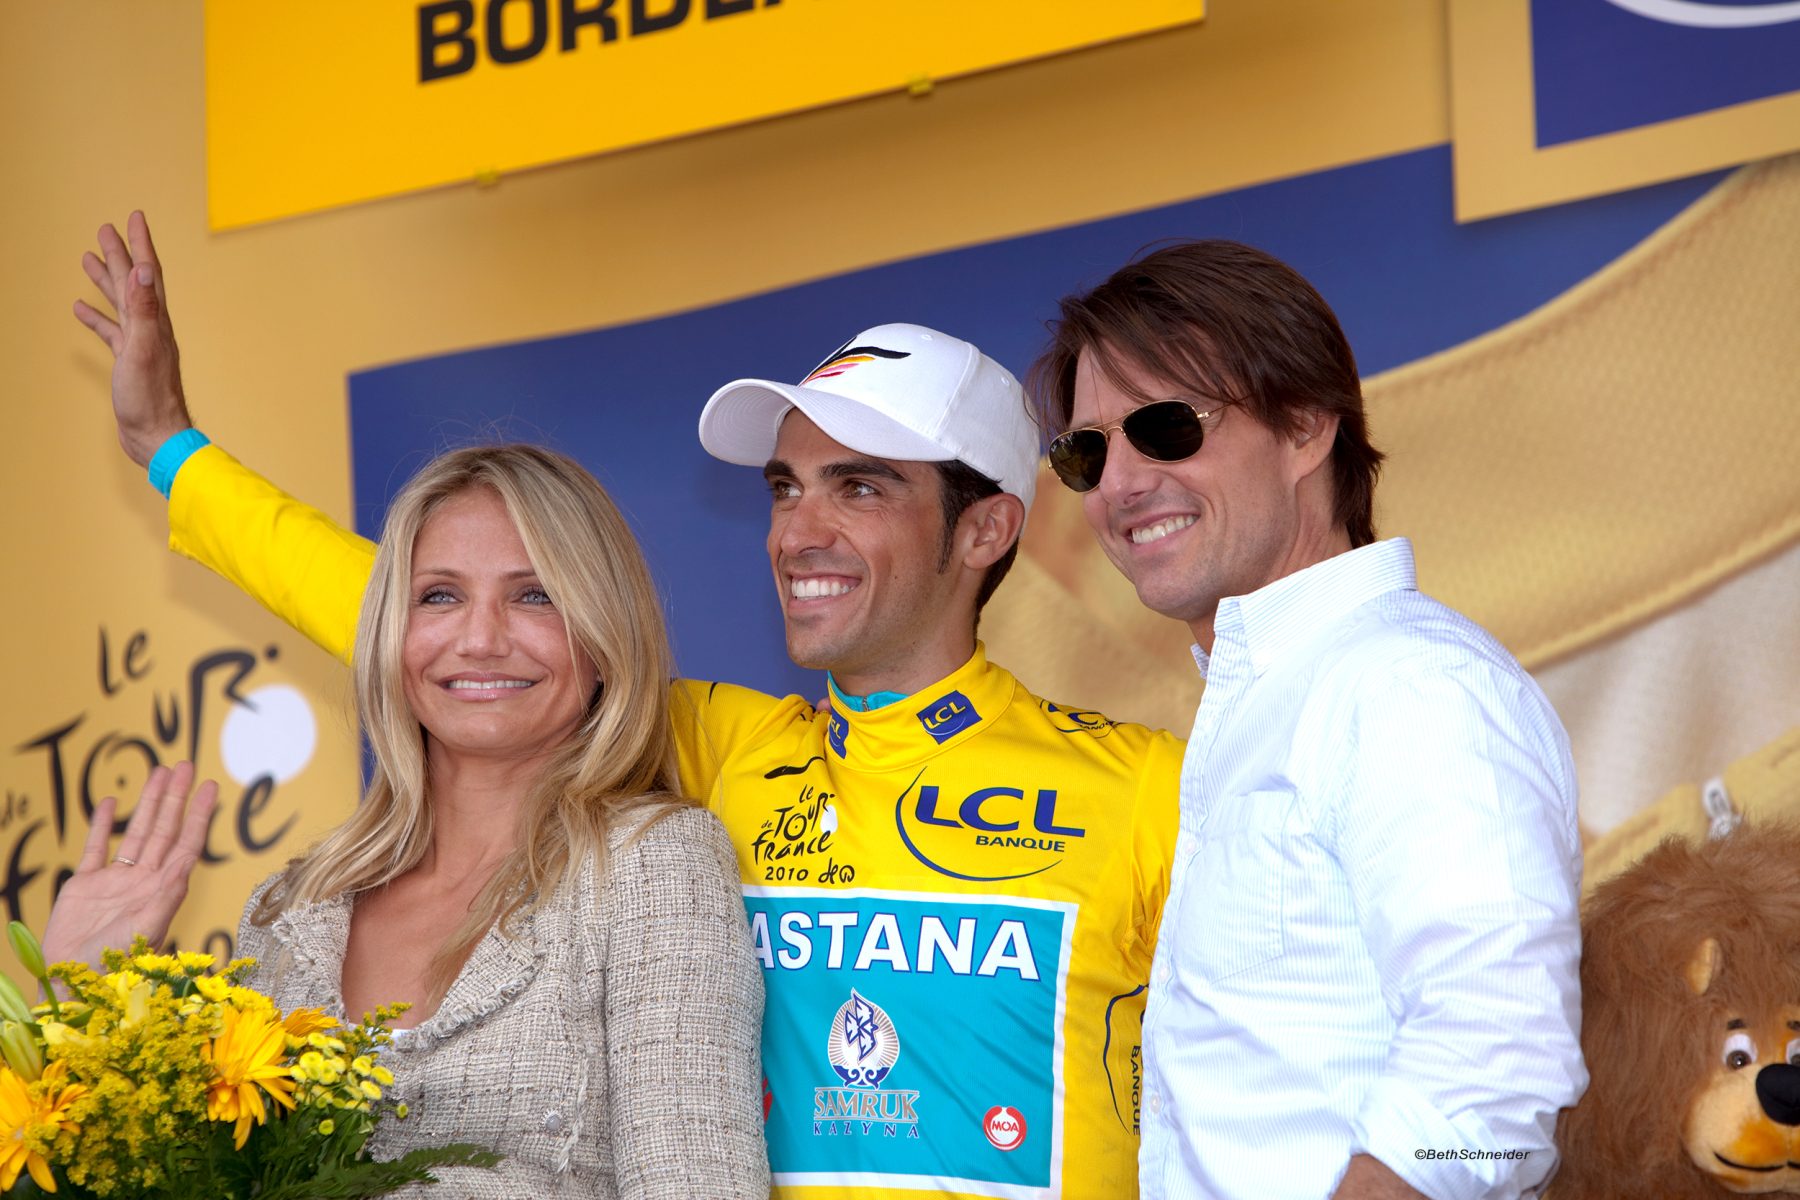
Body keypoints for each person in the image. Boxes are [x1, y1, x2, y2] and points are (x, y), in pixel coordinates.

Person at [74, 213, 1184, 1199]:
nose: (801, 529)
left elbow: (1300, 1048)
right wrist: (171, 451)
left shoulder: (1144, 786)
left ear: (985, 530)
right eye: (786, 488)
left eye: (859, 486)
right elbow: (431, 627)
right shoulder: (716, 745)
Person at [42, 444, 769, 1199]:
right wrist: (86, 1006)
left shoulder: (654, 864)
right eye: (439, 597)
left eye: (535, 596)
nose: (481, 639)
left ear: (604, 632)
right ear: (390, 631)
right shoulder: (292, 908)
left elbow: (698, 1180)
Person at [1029, 240, 1585, 1200]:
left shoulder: (1411, 686)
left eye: (1165, 428)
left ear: (1306, 426)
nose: (1117, 485)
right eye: (1087, 451)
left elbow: (1500, 1085)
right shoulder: (1275, 702)